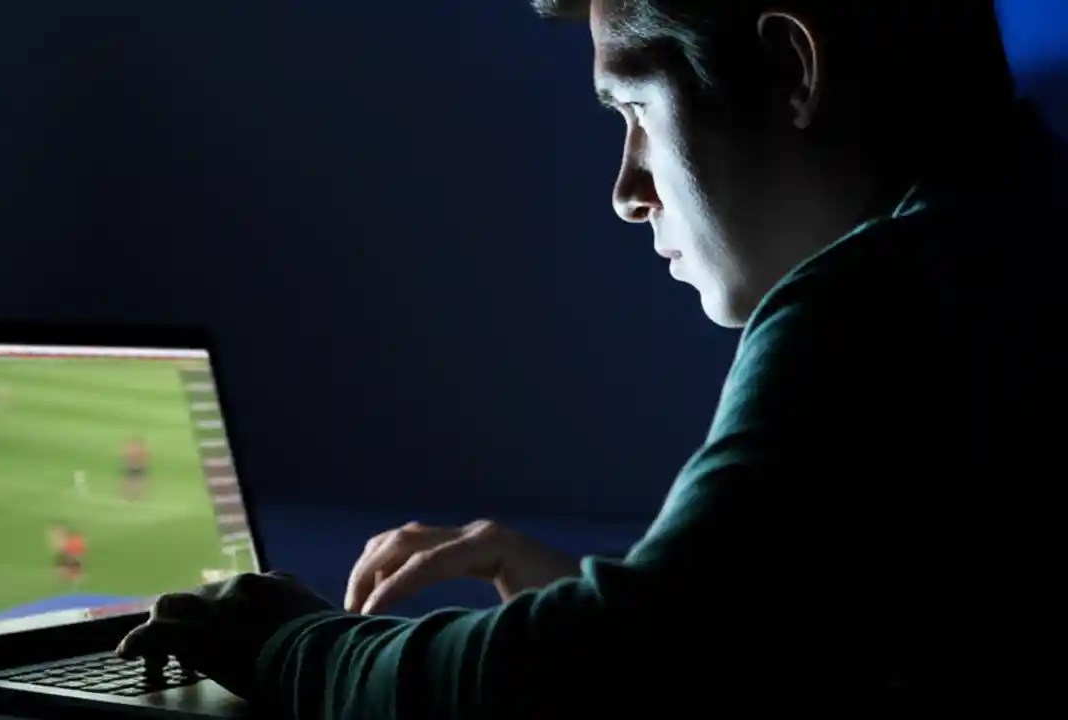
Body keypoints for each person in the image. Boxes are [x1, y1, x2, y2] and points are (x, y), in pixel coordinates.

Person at [119, 1, 1066, 716]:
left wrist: (293, 649)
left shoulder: (883, 300)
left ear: (790, 70)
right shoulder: (1012, 246)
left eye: (637, 110)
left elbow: (613, 676)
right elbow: (778, 650)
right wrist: (597, 596)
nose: (626, 189)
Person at [120, 436, 150, 501]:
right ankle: (132, 493)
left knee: (137, 481)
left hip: (137, 468)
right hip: (134, 468)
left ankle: (137, 493)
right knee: (132, 481)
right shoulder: (132, 450)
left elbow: (144, 459)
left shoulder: (140, 451)